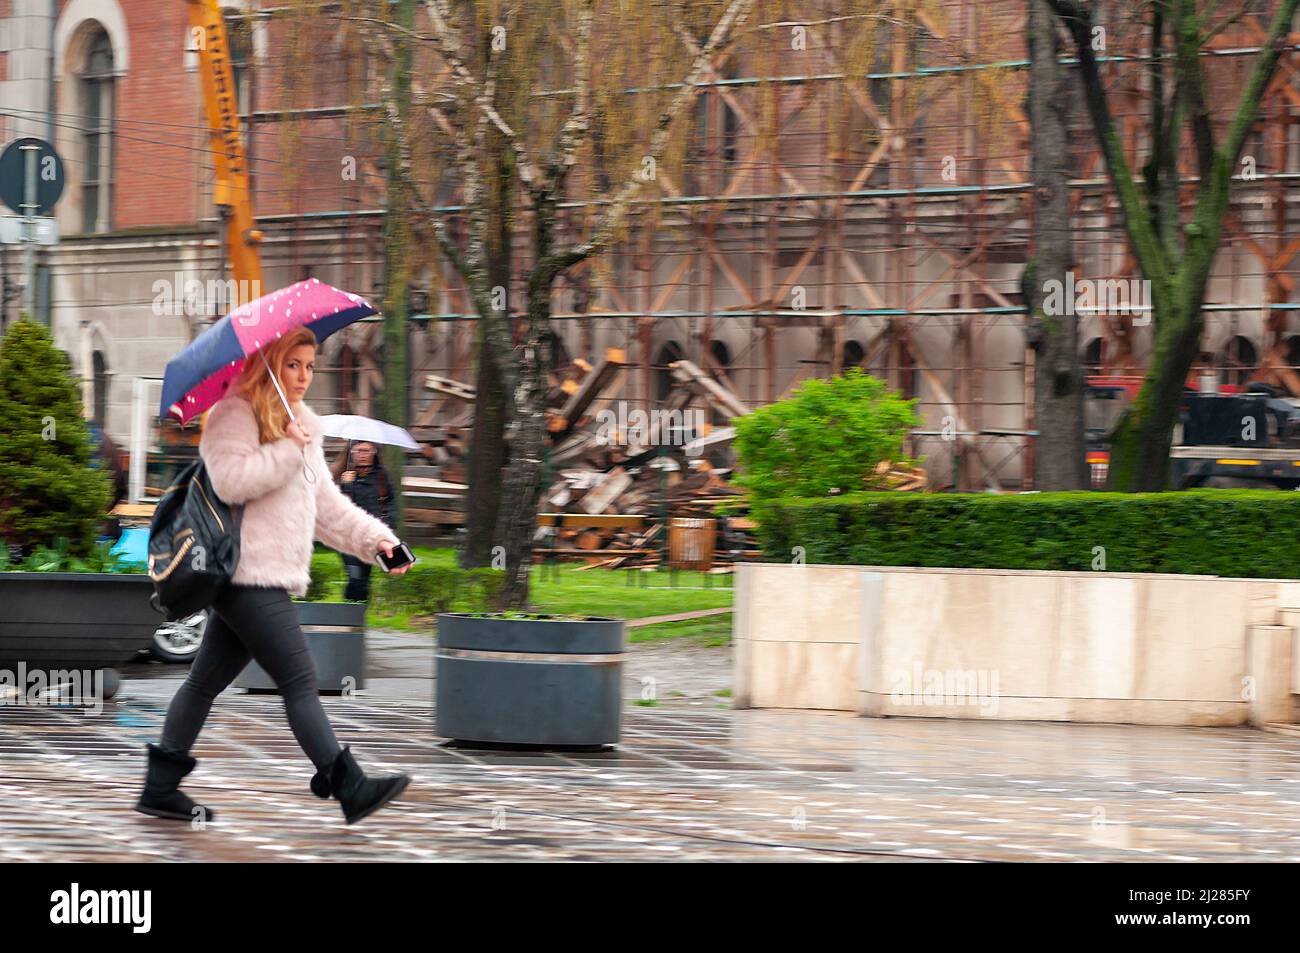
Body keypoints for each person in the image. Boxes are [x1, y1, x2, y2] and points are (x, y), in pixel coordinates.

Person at [135, 327, 412, 825]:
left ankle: (160, 787)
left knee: (202, 683)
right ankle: (348, 785)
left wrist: (379, 543)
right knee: (300, 680)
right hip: (246, 575)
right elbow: (232, 481)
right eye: (293, 365)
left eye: (309, 366)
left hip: (269, 577)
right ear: (269, 364)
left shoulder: (301, 421)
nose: (303, 376)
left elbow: (325, 509)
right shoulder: (232, 414)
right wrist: (287, 449)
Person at [331, 441, 394, 601]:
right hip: (347, 537)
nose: (363, 455)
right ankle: (348, 615)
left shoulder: (381, 476)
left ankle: (357, 618)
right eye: (358, 451)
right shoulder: (342, 476)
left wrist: (388, 526)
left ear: (374, 453)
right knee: (355, 577)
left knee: (364, 581)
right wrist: (345, 486)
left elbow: (391, 504)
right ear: (351, 453)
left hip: (371, 537)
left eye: (367, 451)